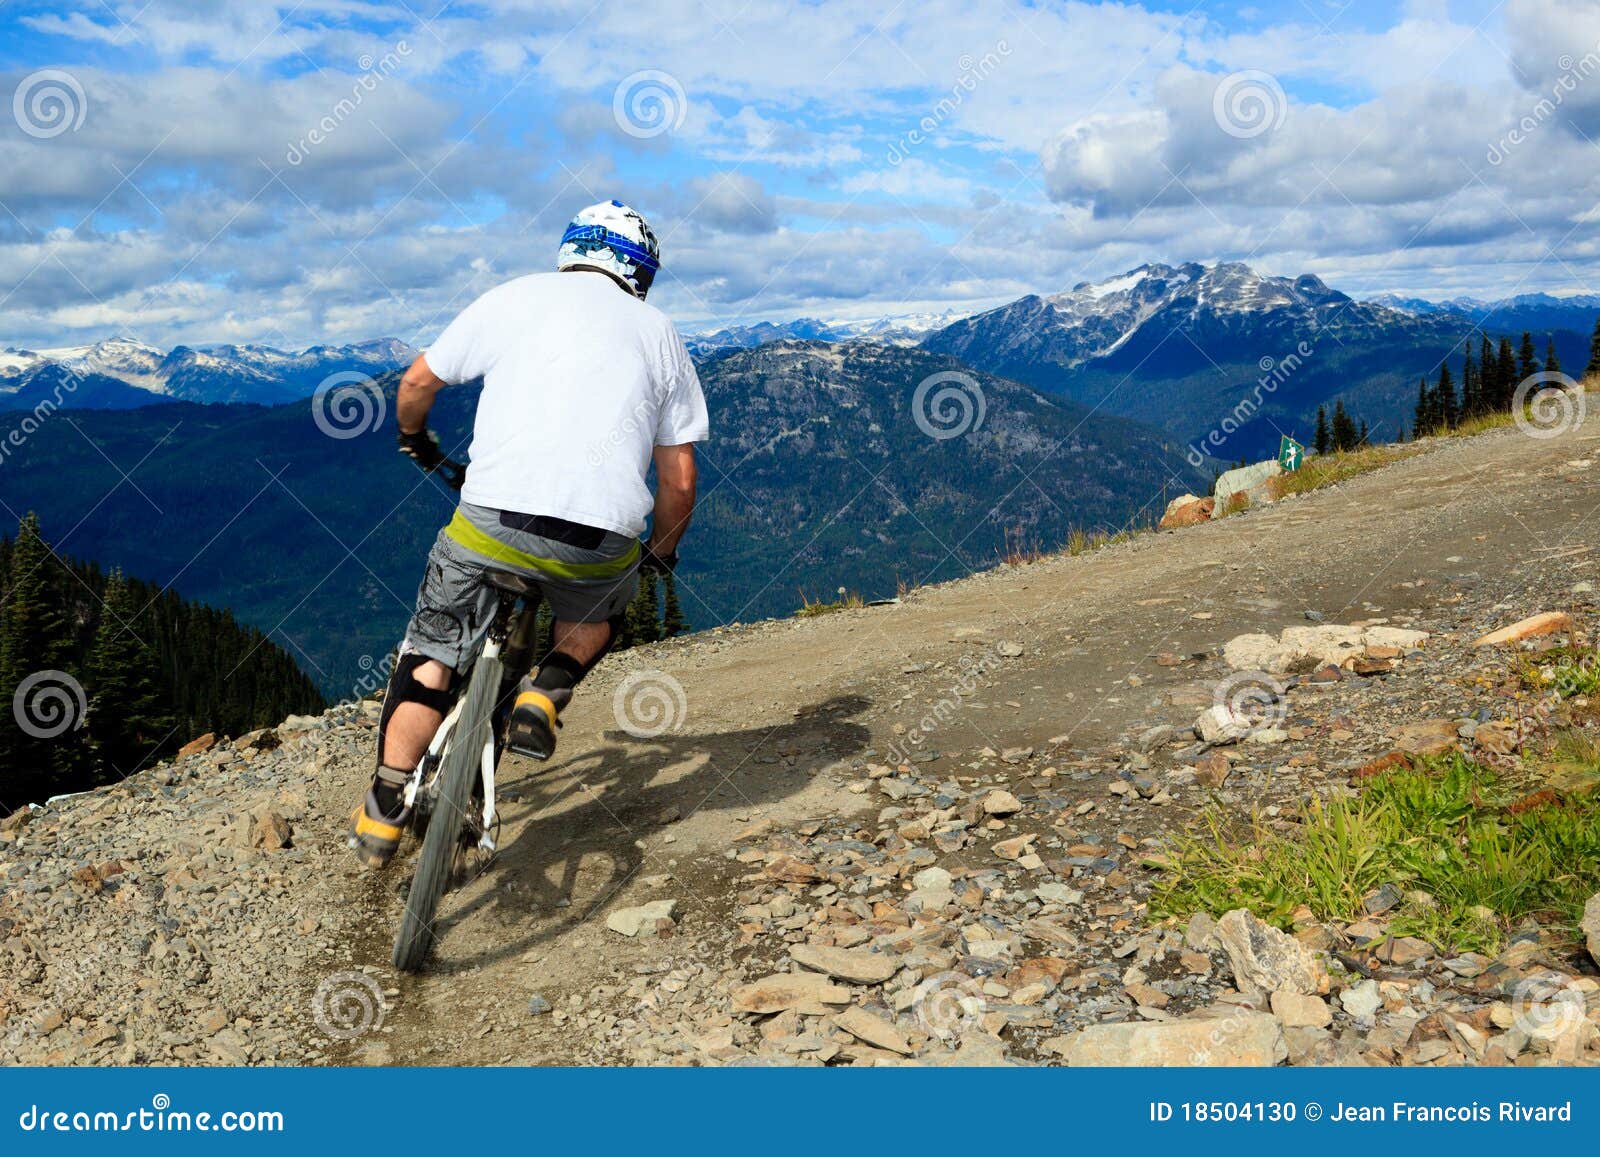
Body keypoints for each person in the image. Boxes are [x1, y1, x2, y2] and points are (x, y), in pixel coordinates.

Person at [350, 199, 708, 869]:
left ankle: (385, 804)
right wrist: (661, 554)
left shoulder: (513, 296)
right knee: (596, 617)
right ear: (638, 271)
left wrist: (414, 438)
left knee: (433, 651)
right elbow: (679, 481)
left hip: (492, 521)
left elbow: (418, 380)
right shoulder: (659, 332)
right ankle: (545, 692)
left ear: (572, 250)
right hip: (599, 540)